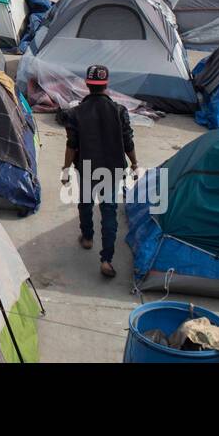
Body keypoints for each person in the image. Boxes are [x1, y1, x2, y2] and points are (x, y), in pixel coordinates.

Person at [61, 65, 137, 280]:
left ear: (86, 84)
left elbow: (72, 144)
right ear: (107, 84)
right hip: (112, 169)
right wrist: (134, 163)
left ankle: (87, 237)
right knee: (109, 211)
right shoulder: (119, 111)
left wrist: (66, 168)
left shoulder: (76, 113)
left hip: (86, 167)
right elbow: (128, 141)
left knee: (85, 202)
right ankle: (106, 259)